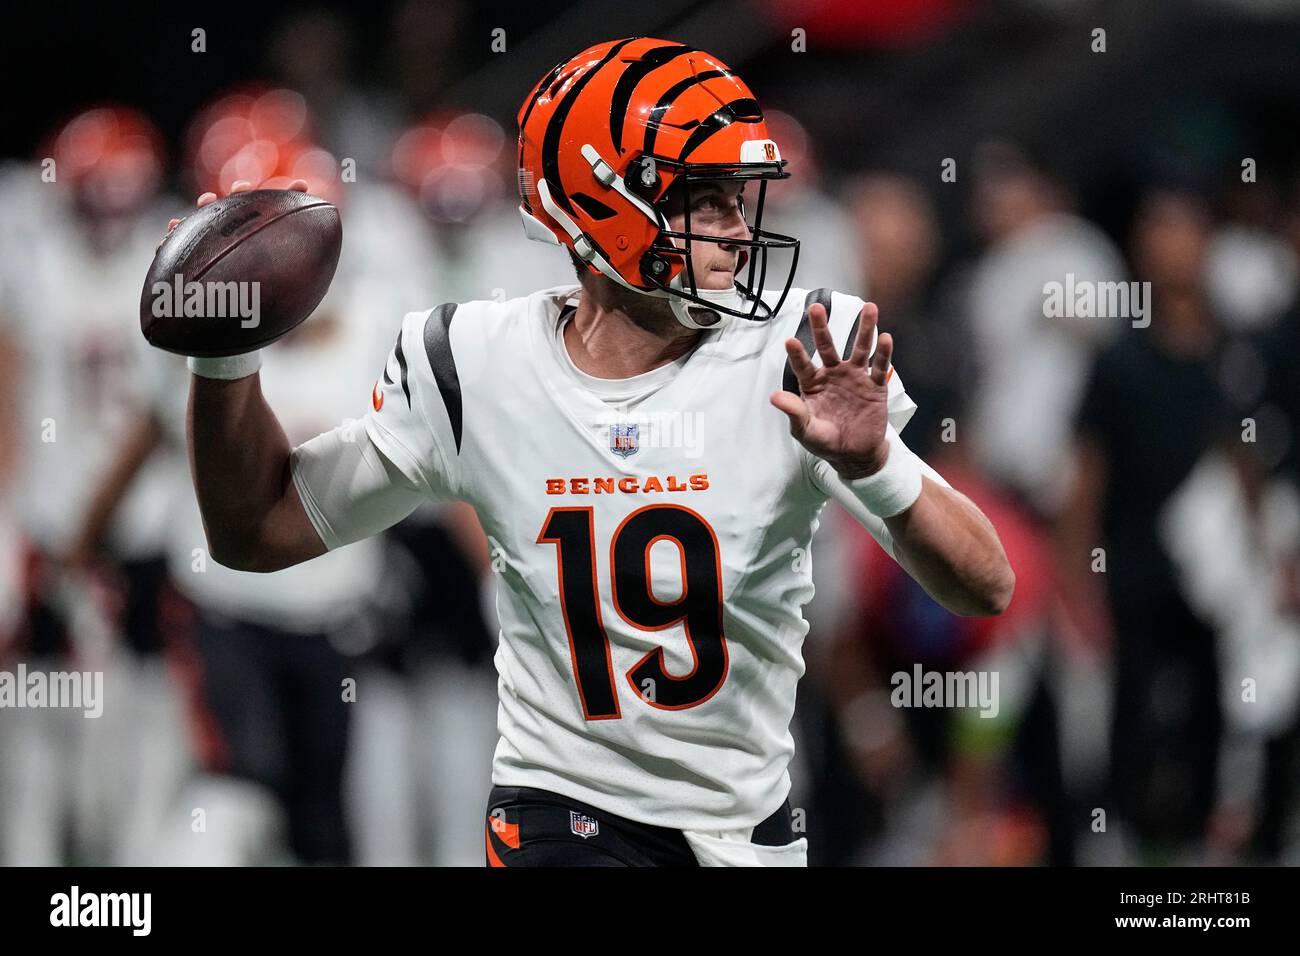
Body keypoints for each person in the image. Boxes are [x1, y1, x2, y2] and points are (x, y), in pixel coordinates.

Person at [156, 37, 1014, 867]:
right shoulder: (475, 364)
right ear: (605, 203)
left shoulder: (796, 355)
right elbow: (257, 532)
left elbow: (987, 586)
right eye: (706, 199)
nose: (739, 232)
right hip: (561, 811)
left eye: (738, 199)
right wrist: (225, 359)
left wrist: (877, 466)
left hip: (743, 822)